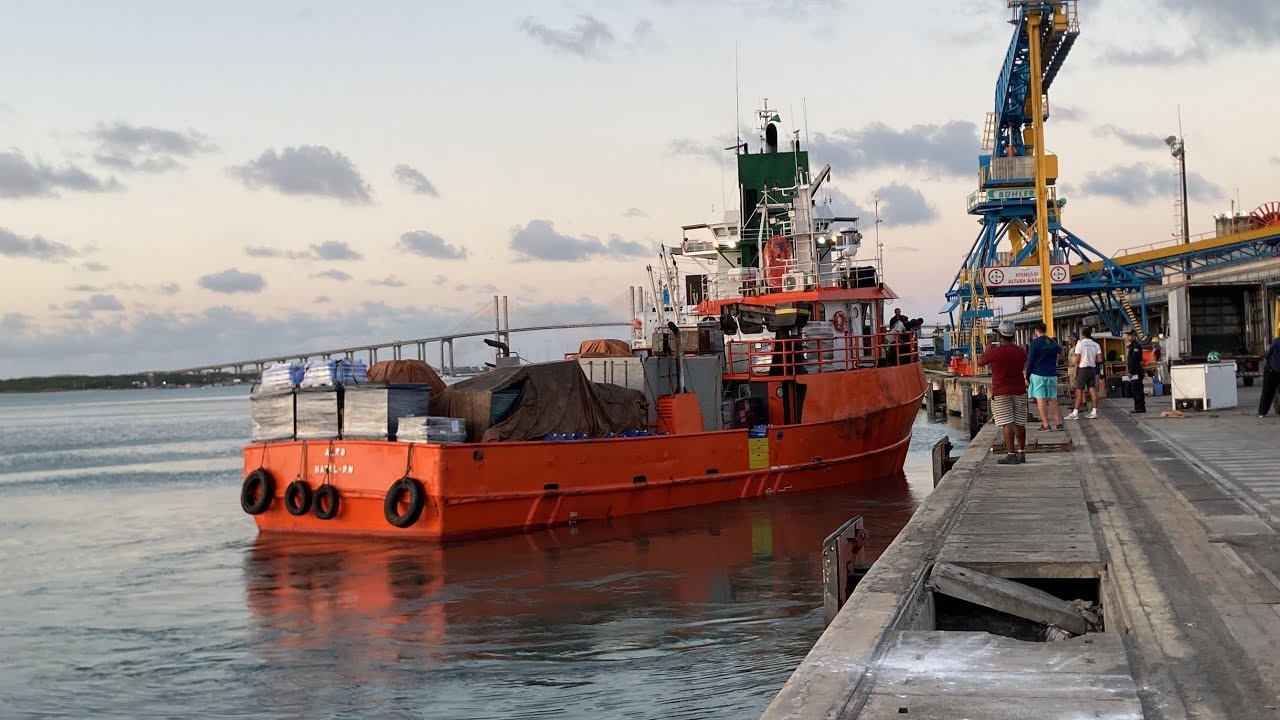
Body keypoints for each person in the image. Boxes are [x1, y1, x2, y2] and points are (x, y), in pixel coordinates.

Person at [979, 320, 1028, 464]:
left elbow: (981, 361)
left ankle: (1011, 454)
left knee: (1007, 423)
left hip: (1001, 391)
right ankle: (1022, 452)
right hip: (1019, 389)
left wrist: (987, 348)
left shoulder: (995, 352)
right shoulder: (1021, 351)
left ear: (999, 334)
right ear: (1013, 335)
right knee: (1020, 423)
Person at [1025, 321, 1063, 430]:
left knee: (1040, 399)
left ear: (1036, 331)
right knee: (1052, 399)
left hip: (1038, 375)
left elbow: (1030, 361)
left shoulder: (1035, 343)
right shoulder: (1052, 342)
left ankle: (1046, 424)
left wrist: (1027, 376)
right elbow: (1058, 351)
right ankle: (1059, 423)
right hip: (1051, 374)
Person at [1066, 326, 1103, 420]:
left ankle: (1075, 412)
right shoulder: (1096, 345)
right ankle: (1094, 412)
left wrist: (1075, 372)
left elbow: (1077, 359)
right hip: (1092, 369)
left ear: (1082, 334)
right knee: (1092, 390)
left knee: (1079, 391)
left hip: (1083, 369)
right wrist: (1091, 358)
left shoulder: (1080, 344)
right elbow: (1100, 359)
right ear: (1090, 334)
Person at [1125, 329, 1147, 414]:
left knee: (1137, 390)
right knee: (1134, 390)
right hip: (1134, 371)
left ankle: (1140, 408)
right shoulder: (1132, 346)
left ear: (1134, 336)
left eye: (1129, 335)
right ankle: (1137, 407)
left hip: (1136, 372)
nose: (1128, 337)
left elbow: (1134, 360)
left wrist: (1131, 371)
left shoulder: (1136, 347)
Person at [1259, 336, 1280, 417]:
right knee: (1268, 390)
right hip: (1273, 369)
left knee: (1267, 391)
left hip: (1270, 369)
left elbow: (1268, 355)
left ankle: (1262, 412)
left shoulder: (1276, 342)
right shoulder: (1277, 343)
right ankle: (1262, 412)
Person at [1066, 333, 1080, 409]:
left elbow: (1077, 360)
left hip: (1074, 369)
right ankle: (1075, 403)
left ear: (1073, 340)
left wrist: (1075, 371)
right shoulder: (1071, 349)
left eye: (1069, 339)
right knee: (1073, 388)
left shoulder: (1076, 349)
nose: (1068, 341)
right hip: (1071, 368)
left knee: (1076, 387)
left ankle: (1077, 404)